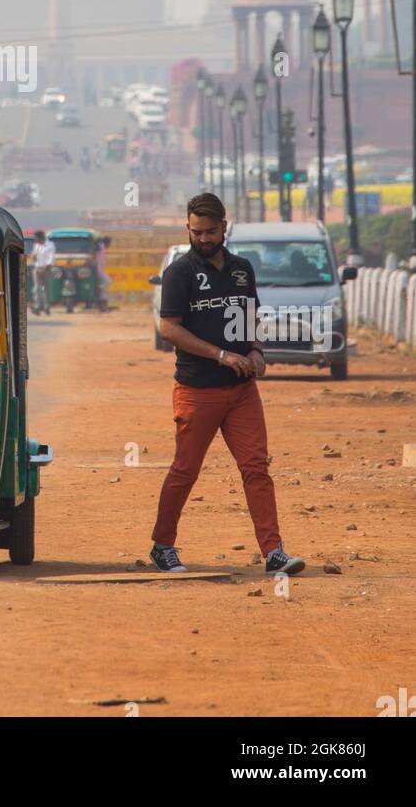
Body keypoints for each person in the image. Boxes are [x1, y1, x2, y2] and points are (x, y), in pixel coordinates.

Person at [149, 192, 304, 578]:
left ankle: (274, 552)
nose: (203, 239)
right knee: (185, 470)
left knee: (256, 468)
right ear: (188, 228)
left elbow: (251, 316)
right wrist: (219, 354)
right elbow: (169, 327)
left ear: (224, 227)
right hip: (197, 389)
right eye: (196, 231)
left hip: (242, 391)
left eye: (210, 232)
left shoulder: (241, 269)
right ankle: (163, 546)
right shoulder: (179, 273)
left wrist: (255, 350)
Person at [30, 230, 55, 315]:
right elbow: (33, 256)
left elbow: (51, 258)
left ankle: (47, 307)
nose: (36, 240)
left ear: (41, 238)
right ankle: (37, 306)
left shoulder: (50, 245)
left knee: (46, 289)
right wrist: (33, 256)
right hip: (37, 269)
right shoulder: (36, 245)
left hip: (46, 269)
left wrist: (45, 269)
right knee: (37, 288)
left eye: (37, 238)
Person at [96, 235, 111, 309]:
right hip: (98, 271)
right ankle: (99, 289)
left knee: (104, 286)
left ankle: (102, 302)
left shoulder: (103, 248)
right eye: (109, 243)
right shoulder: (100, 247)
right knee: (107, 281)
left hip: (100, 270)